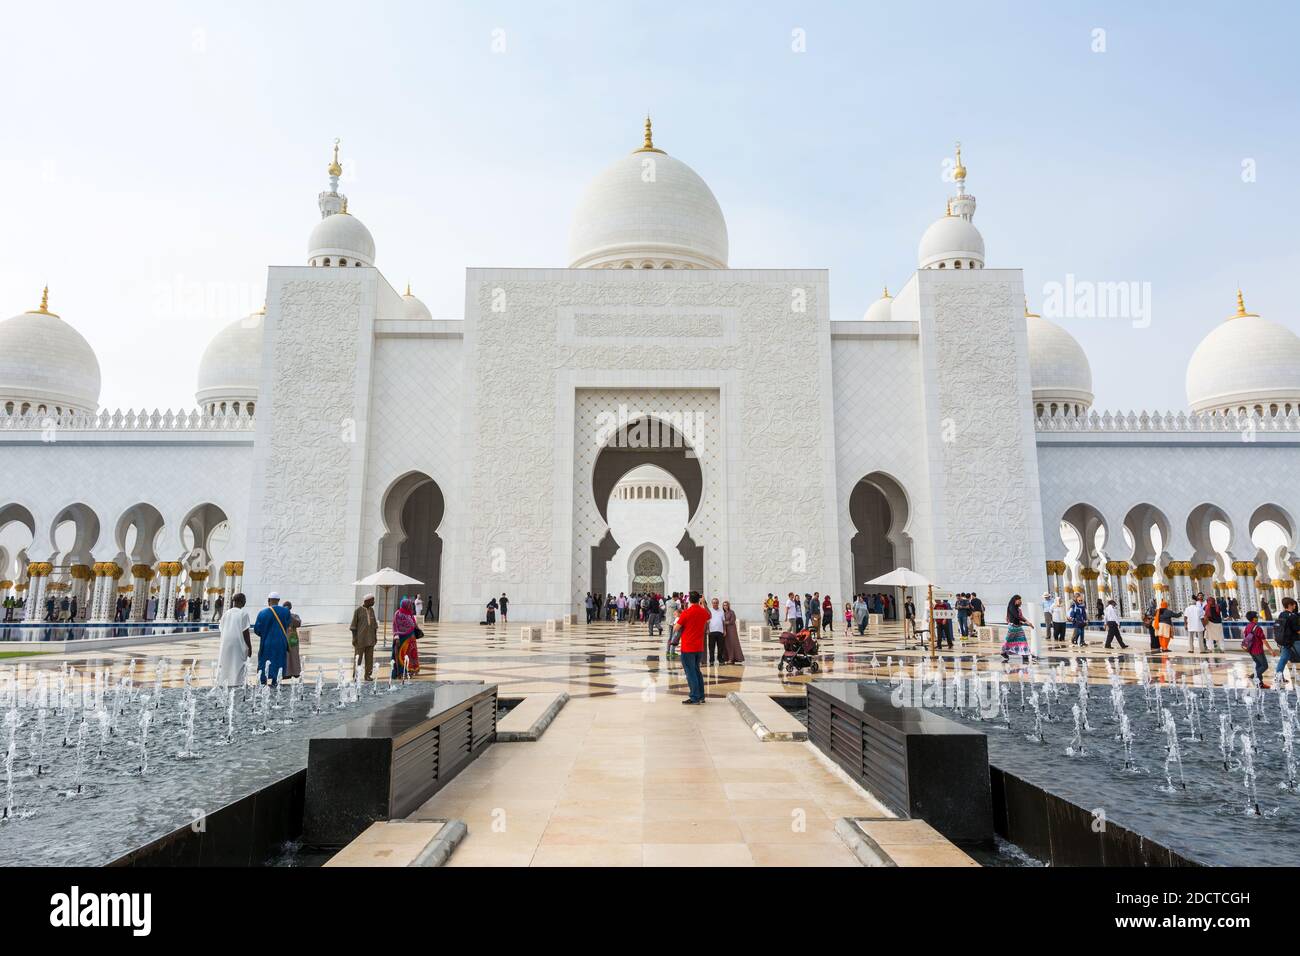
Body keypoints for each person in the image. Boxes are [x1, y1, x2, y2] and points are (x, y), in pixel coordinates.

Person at [673, 592, 710, 704]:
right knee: (697, 671)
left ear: (689, 600)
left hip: (688, 646)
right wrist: (703, 603)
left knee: (690, 673)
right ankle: (701, 696)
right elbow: (709, 616)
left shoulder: (686, 613)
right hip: (699, 646)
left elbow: (676, 628)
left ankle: (694, 697)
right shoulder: (703, 612)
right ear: (698, 600)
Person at [252, 592, 292, 685]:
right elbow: (288, 624)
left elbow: (257, 629)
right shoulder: (286, 611)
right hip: (281, 641)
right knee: (279, 660)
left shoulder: (262, 613)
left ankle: (263, 680)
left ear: (269, 600)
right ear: (278, 601)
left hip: (267, 642)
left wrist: (265, 633)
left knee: (265, 660)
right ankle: (276, 681)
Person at [215, 592, 251, 687]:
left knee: (225, 663)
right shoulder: (243, 613)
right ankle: (237, 684)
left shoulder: (226, 613)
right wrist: (249, 647)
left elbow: (221, 629)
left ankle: (224, 683)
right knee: (238, 664)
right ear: (242, 602)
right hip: (238, 643)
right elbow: (245, 632)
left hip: (226, 643)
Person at [350, 594, 379, 680]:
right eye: (372, 600)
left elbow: (374, 626)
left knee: (369, 659)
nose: (373, 602)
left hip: (371, 639)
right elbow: (353, 627)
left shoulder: (372, 610)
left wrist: (375, 637)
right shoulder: (358, 611)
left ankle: (368, 675)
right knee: (358, 658)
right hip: (360, 639)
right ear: (366, 601)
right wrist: (354, 638)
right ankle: (356, 675)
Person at [392, 597, 421, 678]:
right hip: (401, 638)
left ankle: (410, 671)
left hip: (411, 639)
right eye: (409, 605)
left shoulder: (410, 614)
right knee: (401, 655)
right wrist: (396, 636)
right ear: (405, 605)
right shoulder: (398, 613)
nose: (411, 606)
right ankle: (401, 672)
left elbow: (414, 624)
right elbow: (395, 626)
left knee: (411, 655)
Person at [1001, 594, 1034, 663]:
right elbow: (1016, 616)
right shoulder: (1011, 607)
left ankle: (1024, 654)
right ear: (1015, 600)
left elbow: (1020, 616)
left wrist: (1028, 622)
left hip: (1018, 627)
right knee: (1009, 640)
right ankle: (1003, 652)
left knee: (1023, 640)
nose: (1020, 602)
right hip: (1013, 627)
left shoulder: (1016, 608)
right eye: (1019, 600)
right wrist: (1026, 622)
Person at [1274, 597, 1299, 684]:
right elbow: (1298, 630)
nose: (1295, 605)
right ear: (1289, 605)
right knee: (1285, 659)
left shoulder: (1281, 614)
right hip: (1294, 641)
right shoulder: (1293, 616)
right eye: (1293, 604)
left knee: (1283, 659)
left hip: (1284, 641)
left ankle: (1279, 677)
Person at [1242, 611, 1271, 687]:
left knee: (1258, 665)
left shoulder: (1247, 626)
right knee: (1264, 666)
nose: (1257, 618)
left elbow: (1245, 637)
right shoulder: (1257, 628)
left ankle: (1260, 684)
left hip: (1250, 650)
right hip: (1258, 650)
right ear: (1254, 618)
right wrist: (1271, 650)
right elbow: (1264, 640)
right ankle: (1253, 676)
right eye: (1256, 617)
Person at [281, 600, 303, 679]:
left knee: (294, 655)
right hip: (284, 638)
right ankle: (286, 673)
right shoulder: (281, 616)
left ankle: (295, 672)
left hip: (293, 638)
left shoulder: (295, 616)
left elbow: (298, 623)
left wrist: (289, 615)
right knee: (285, 655)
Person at [707, 597, 726, 665]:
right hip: (711, 631)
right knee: (711, 647)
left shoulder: (721, 611)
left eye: (716, 603)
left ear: (718, 603)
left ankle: (720, 659)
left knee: (720, 647)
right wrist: (708, 629)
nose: (715, 604)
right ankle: (711, 660)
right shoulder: (709, 610)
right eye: (714, 603)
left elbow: (723, 622)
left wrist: (724, 630)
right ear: (712, 603)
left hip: (720, 631)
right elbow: (707, 621)